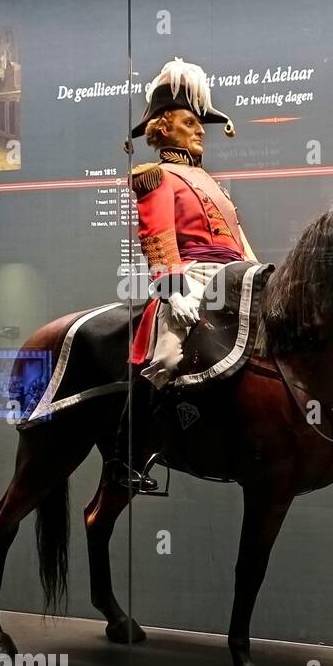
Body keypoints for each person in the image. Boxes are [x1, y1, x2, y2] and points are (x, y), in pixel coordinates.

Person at [110, 58, 256, 493]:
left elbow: (240, 240)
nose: (200, 131)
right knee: (168, 358)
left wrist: (261, 275)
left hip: (235, 275)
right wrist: (173, 289)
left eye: (200, 124)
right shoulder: (156, 176)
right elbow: (157, 236)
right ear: (164, 127)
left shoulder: (213, 184)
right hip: (189, 277)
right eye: (191, 122)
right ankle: (126, 454)